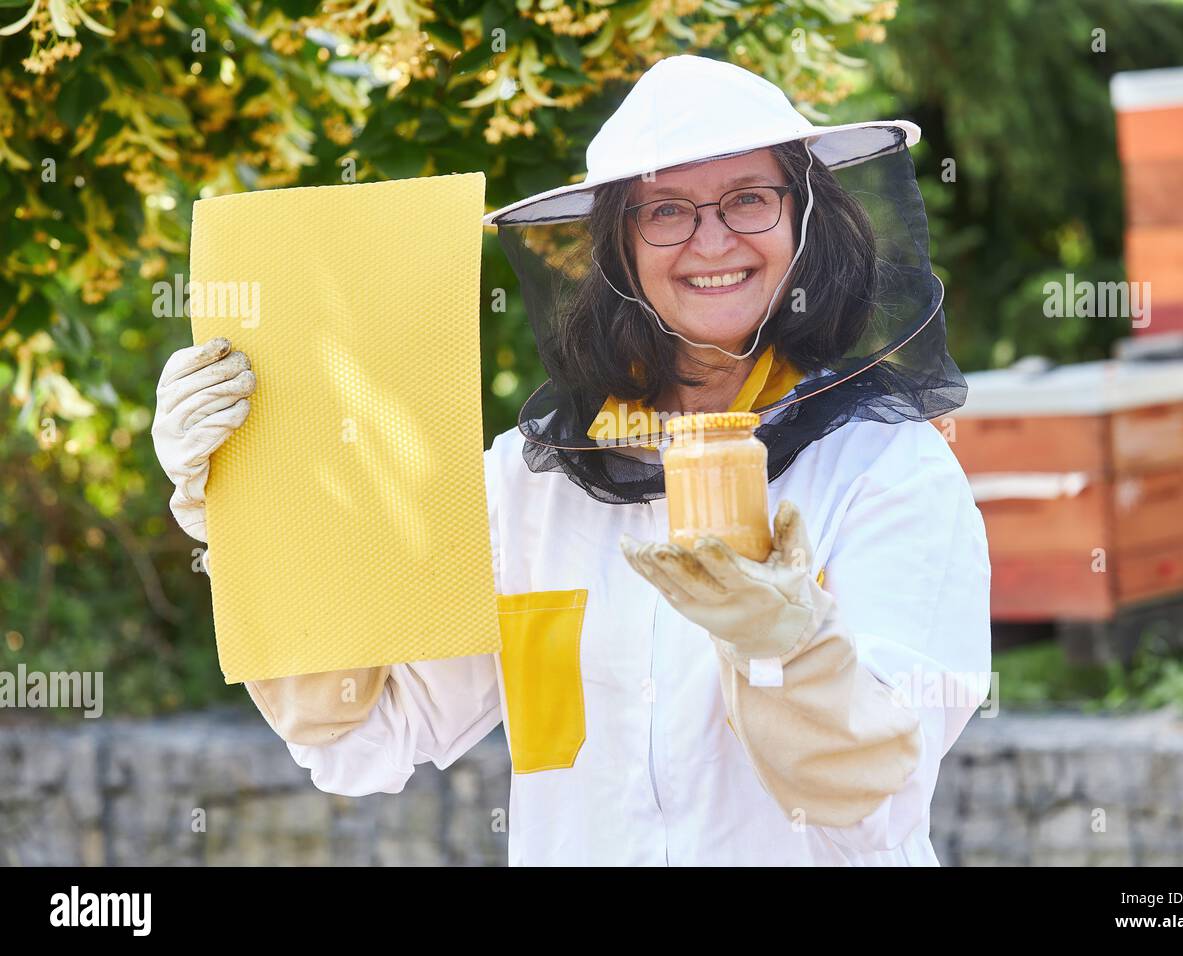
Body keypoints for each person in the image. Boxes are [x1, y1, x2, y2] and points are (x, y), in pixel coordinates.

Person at [152, 54, 991, 866]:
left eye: (748, 199)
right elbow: (364, 741)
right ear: (617, 245)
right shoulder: (528, 483)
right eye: (665, 211)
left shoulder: (886, 469)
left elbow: (876, 803)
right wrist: (248, 520)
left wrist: (789, 647)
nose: (710, 241)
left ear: (805, 217)